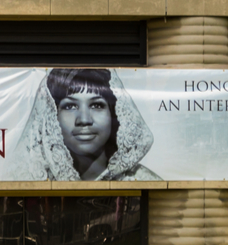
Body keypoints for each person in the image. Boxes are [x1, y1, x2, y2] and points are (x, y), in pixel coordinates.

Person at [10, 67, 160, 182]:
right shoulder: (27, 182)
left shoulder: (143, 181)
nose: (84, 119)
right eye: (70, 106)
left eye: (96, 105)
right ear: (52, 116)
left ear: (114, 113)